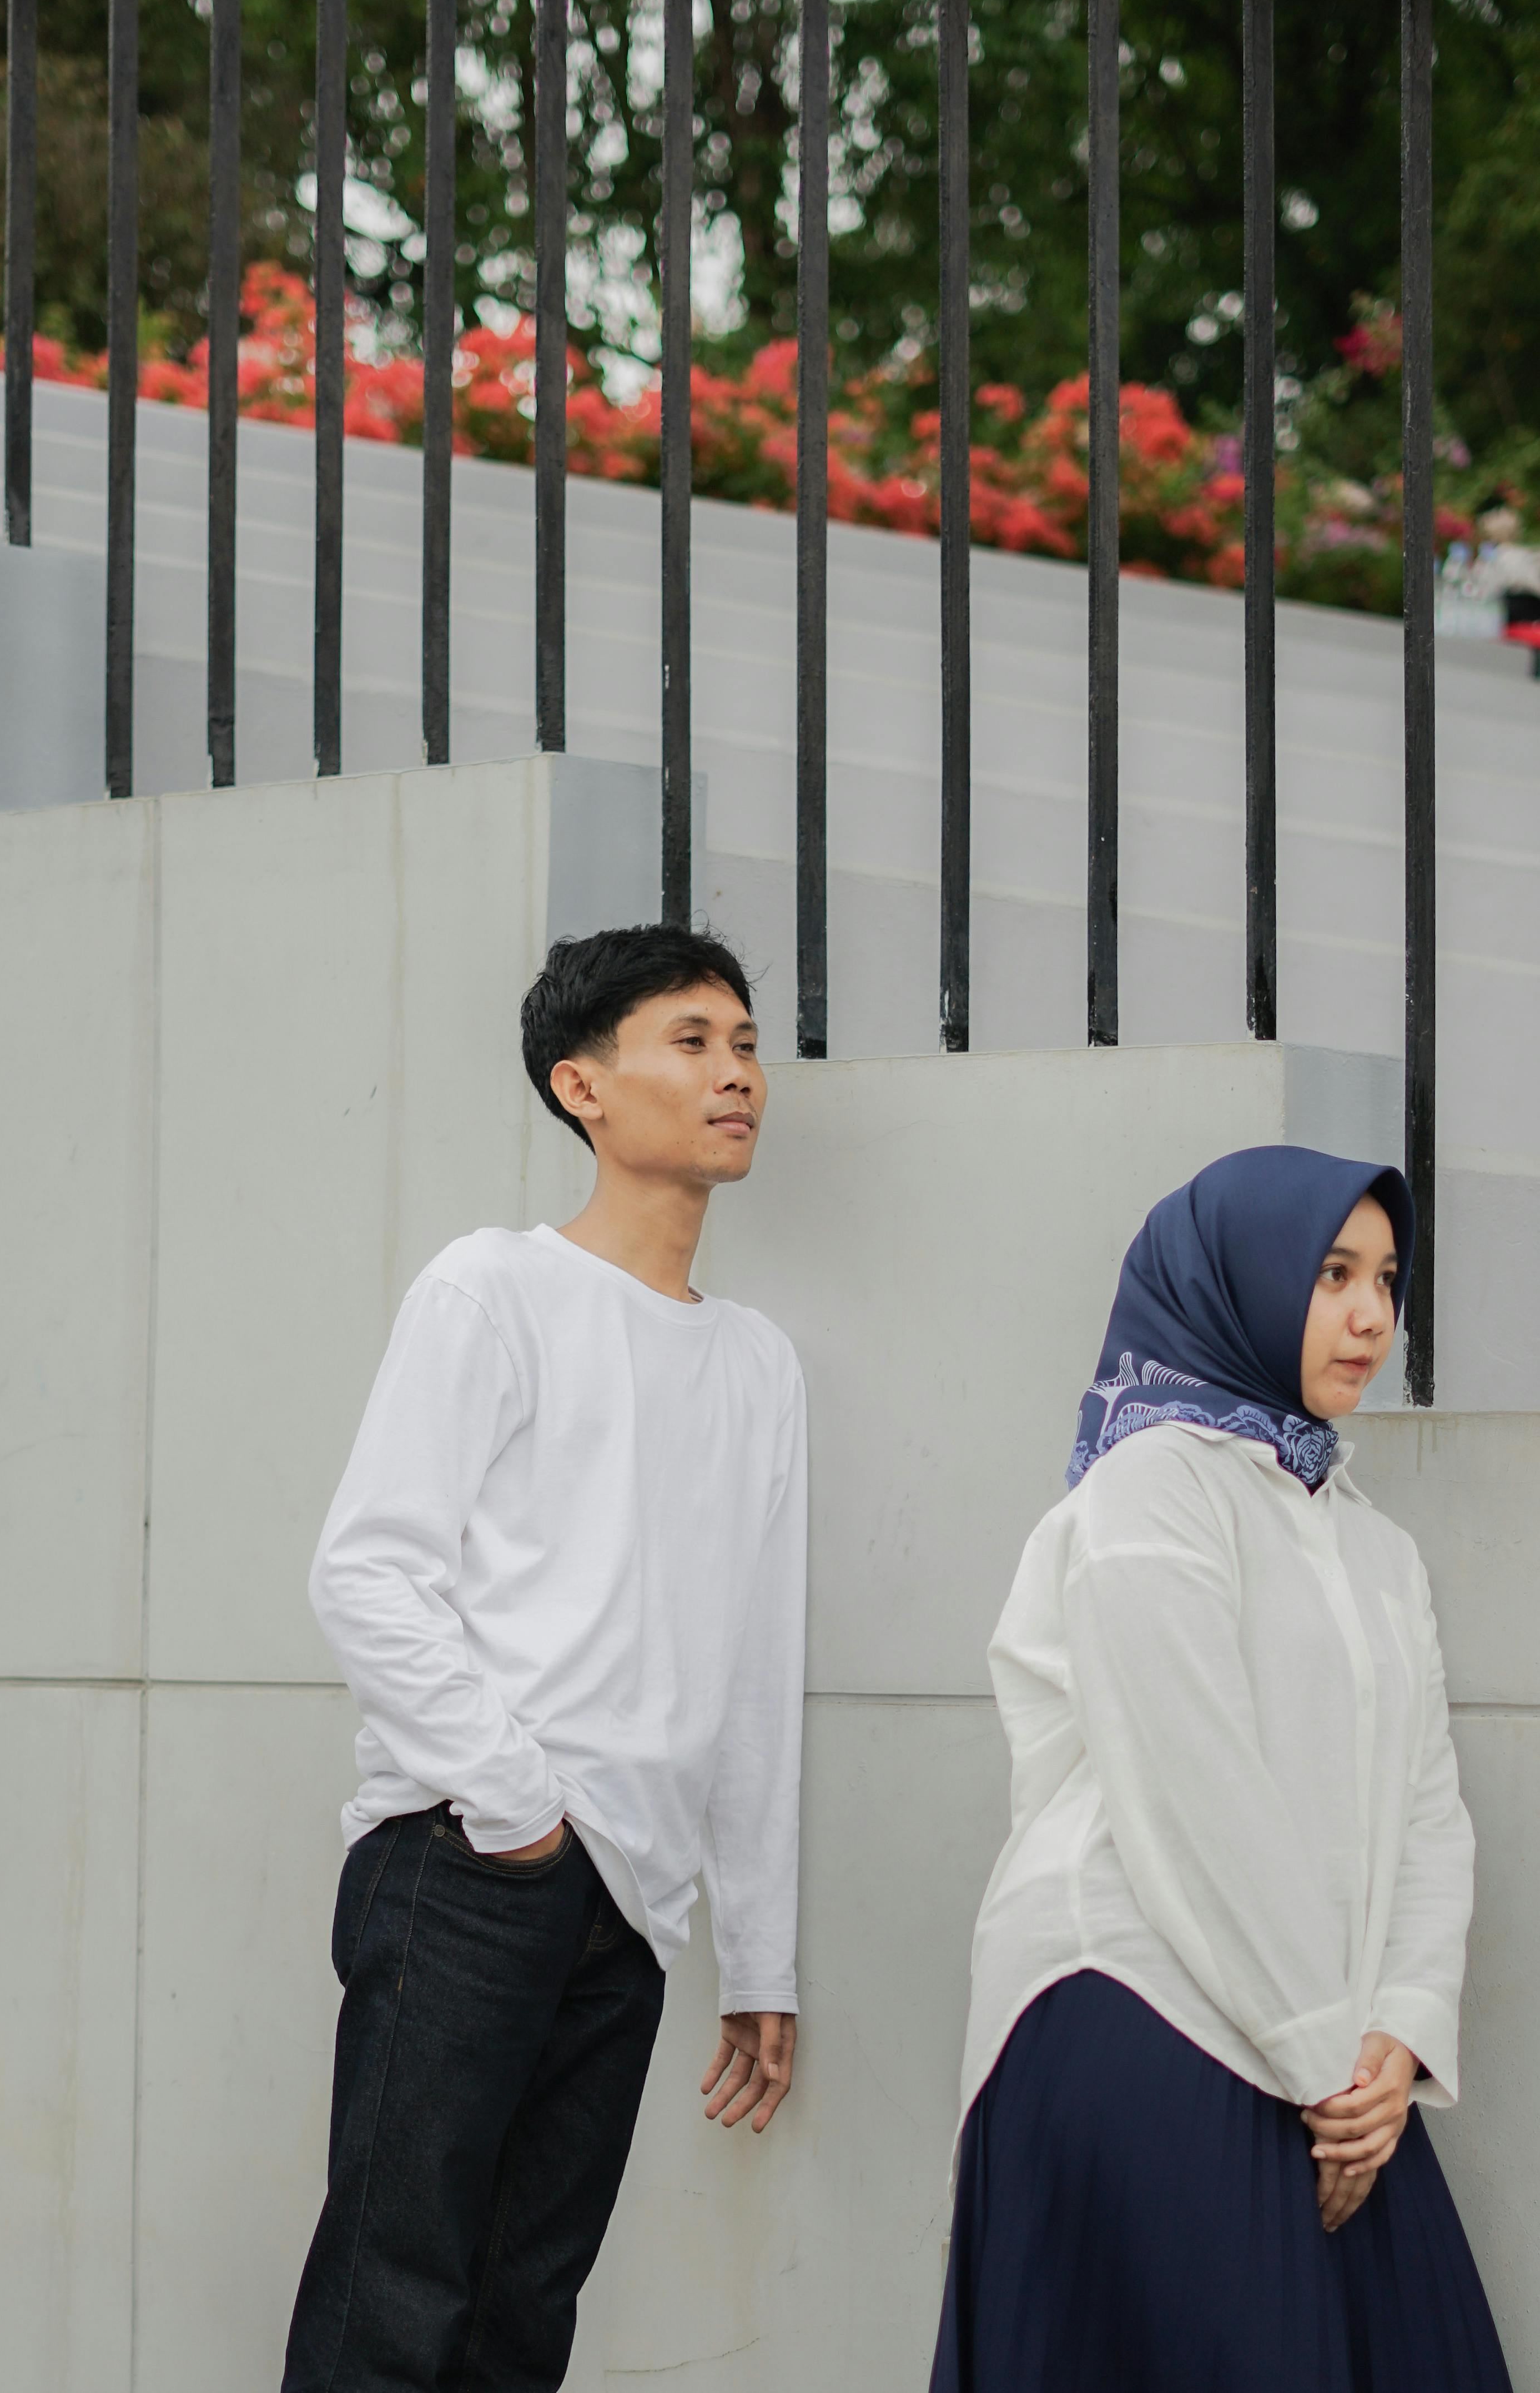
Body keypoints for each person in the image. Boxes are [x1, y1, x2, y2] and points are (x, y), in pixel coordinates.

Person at [280, 923, 808, 2393]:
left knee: (522, 2321)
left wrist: (754, 1949)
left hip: (626, 1902)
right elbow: (369, 1571)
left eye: (745, 1043)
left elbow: (756, 1673)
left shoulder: (756, 1362)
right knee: (392, 2304)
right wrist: (517, 1811)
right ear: (583, 1084)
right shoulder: (491, 1287)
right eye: (692, 1041)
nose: (737, 1074)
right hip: (468, 1862)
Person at [931, 1145, 1512, 2393]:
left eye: (1386, 1278)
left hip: (1329, 2064)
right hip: (1141, 2010)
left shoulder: (1370, 1541)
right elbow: (1190, 1794)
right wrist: (1325, 2068)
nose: (1370, 1313)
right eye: (1331, 1273)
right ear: (1240, 1278)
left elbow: (1427, 1813)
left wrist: (1396, 2040)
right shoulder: (1147, 1490)